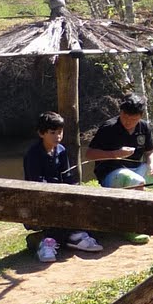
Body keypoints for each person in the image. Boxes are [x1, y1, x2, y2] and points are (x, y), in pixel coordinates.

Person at [23, 110, 102, 262]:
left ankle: (74, 236)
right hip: (39, 197)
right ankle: (49, 243)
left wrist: (74, 187)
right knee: (57, 207)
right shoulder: (33, 154)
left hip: (60, 194)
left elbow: (66, 176)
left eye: (60, 132)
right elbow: (36, 181)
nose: (57, 136)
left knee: (81, 201)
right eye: (52, 132)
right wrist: (57, 190)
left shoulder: (61, 151)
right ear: (41, 133)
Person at [86, 93, 153, 194]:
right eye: (125, 117)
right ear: (121, 112)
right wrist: (115, 154)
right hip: (112, 173)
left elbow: (150, 152)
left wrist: (152, 162)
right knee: (137, 182)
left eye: (133, 119)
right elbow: (89, 154)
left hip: (137, 168)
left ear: (140, 116)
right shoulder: (108, 128)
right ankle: (138, 209)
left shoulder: (144, 127)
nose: (128, 122)